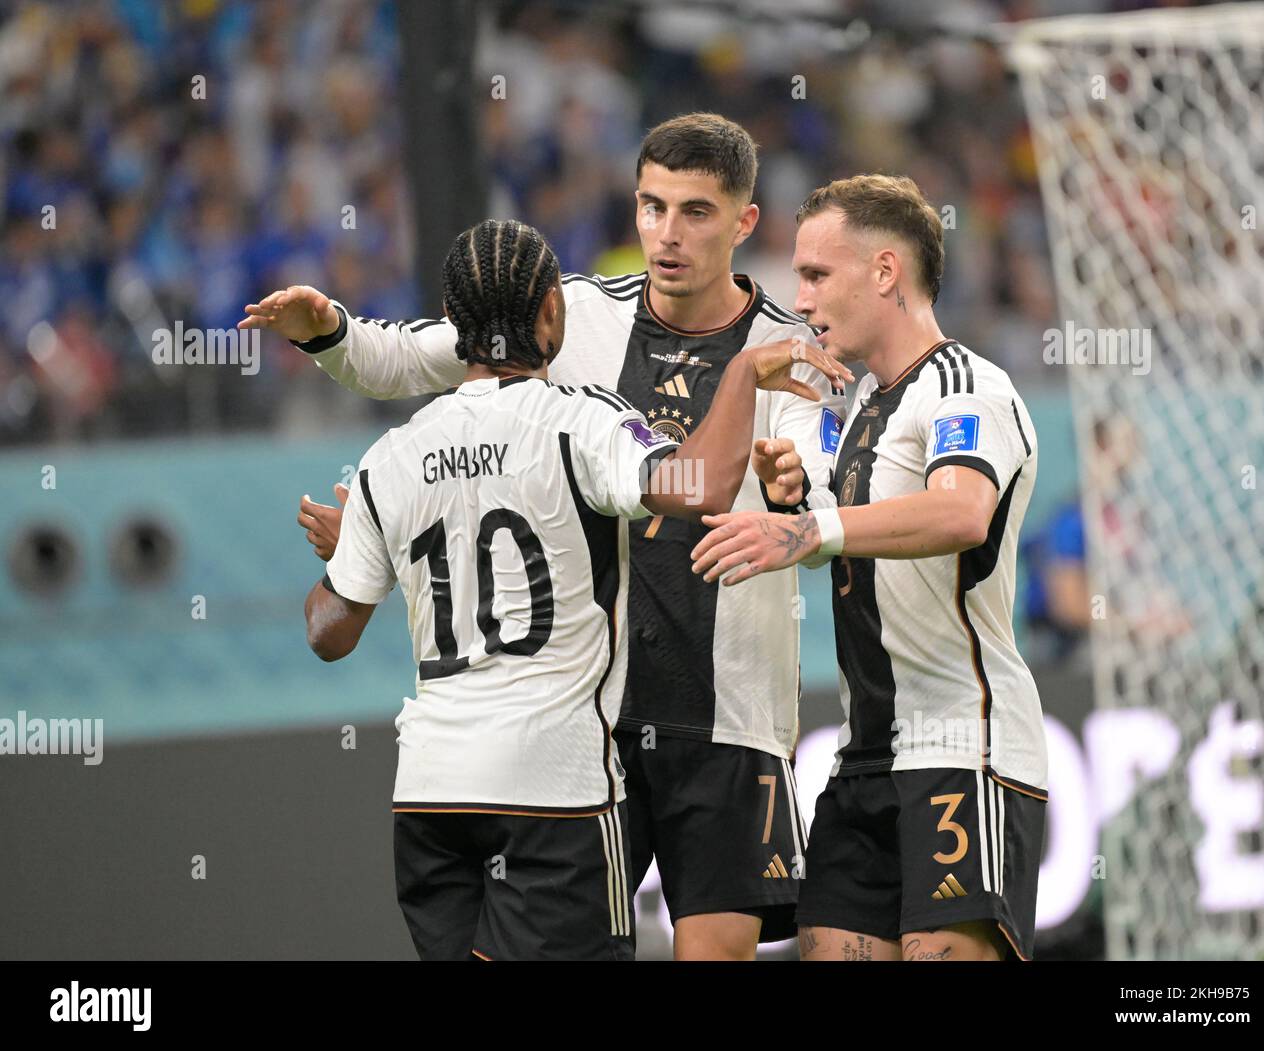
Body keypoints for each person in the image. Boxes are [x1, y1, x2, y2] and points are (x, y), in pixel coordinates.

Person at [245, 113, 846, 959]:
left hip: (728, 714)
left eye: (696, 213)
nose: (667, 235)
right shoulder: (579, 315)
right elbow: (415, 355)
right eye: (652, 207)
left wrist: (794, 500)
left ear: (745, 222)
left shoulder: (788, 353)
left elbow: (822, 514)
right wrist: (329, 331)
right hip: (594, 724)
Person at [690, 174, 1048, 961]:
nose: (801, 296)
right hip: (865, 758)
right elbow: (857, 550)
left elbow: (961, 512)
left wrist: (810, 527)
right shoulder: (863, 411)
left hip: (961, 747)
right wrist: (797, 497)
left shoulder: (967, 386)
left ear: (885, 272)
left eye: (817, 274)